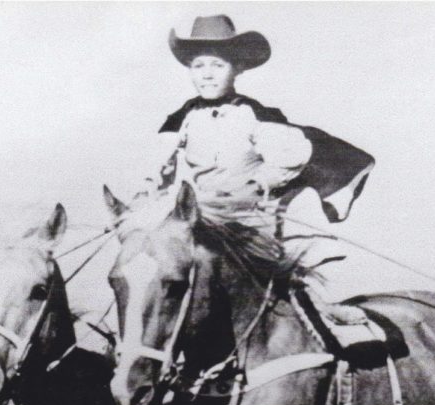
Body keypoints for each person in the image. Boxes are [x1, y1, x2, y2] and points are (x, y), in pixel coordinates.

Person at [140, 15, 375, 306]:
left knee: (294, 272)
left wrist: (256, 185)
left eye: (218, 65)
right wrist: (149, 189)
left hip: (252, 216)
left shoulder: (254, 115)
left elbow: (287, 158)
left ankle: (324, 315)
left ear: (237, 68)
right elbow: (159, 166)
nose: (207, 74)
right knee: (157, 266)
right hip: (204, 217)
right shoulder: (182, 119)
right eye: (199, 66)